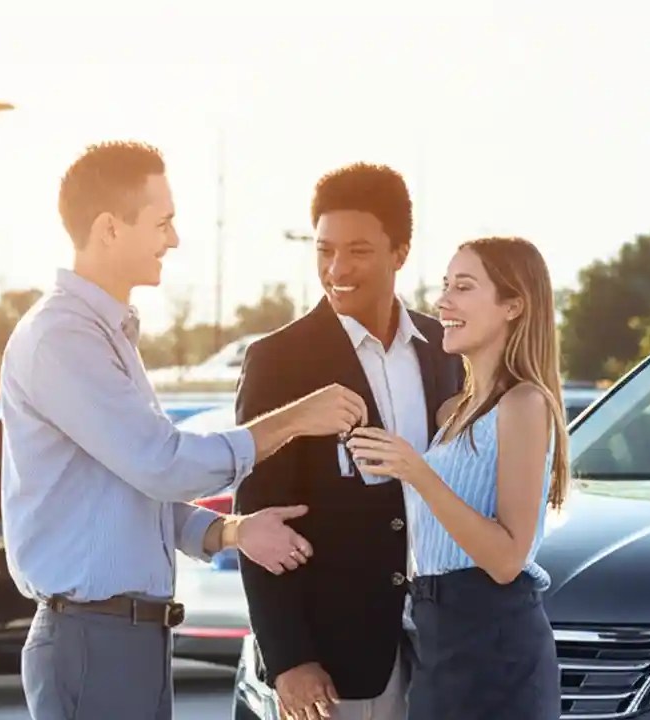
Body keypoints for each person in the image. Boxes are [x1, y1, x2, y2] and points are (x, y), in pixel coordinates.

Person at [0, 140, 369, 720]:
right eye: (162, 223)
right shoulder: (62, 338)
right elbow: (164, 464)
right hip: (95, 642)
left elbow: (138, 493)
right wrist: (296, 419)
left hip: (124, 641)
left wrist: (233, 532)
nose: (173, 240)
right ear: (109, 229)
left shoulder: (106, 333)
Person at [235, 162, 464, 720]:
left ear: (400, 252)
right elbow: (262, 517)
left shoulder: (448, 349)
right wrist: (289, 658)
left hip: (444, 649)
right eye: (325, 250)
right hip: (338, 661)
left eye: (358, 250)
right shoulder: (279, 362)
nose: (338, 268)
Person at [347, 236, 568, 720]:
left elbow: (508, 559)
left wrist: (416, 472)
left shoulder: (524, 404)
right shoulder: (454, 412)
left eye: (463, 287)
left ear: (514, 305)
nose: (443, 301)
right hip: (437, 634)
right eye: (446, 285)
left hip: (494, 643)